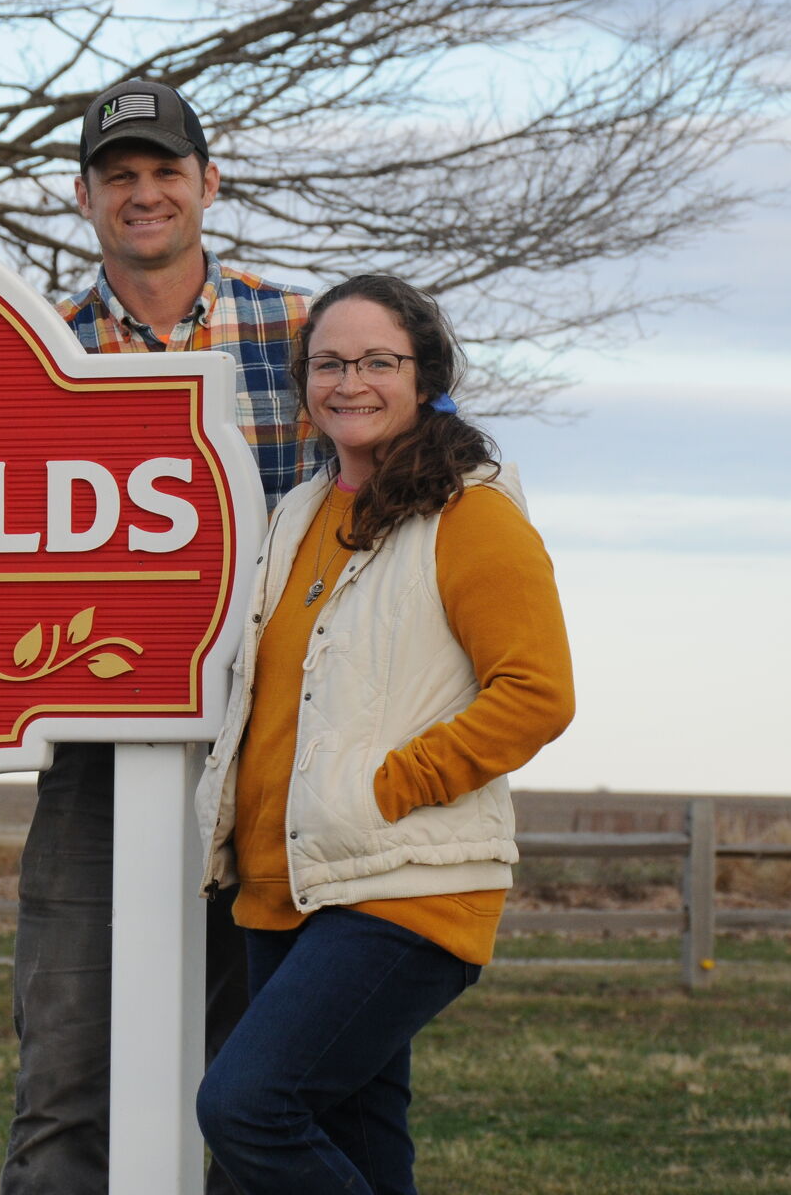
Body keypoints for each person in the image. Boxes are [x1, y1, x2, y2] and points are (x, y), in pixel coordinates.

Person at [1, 79, 322, 1195]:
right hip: (95, 749)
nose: (144, 195)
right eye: (118, 177)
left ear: (207, 185)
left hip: (268, 747)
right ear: (82, 198)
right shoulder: (36, 349)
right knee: (65, 1073)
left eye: (164, 174)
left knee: (252, 1081)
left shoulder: (299, 333)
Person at [192, 274, 575, 1195]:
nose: (349, 382)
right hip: (290, 882)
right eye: (328, 363)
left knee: (245, 1106)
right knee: (361, 1145)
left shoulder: (472, 517)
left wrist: (387, 789)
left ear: (425, 374)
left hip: (402, 883)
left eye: (377, 361)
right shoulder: (299, 514)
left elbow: (538, 694)